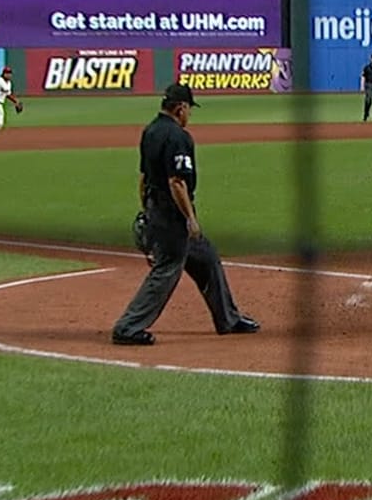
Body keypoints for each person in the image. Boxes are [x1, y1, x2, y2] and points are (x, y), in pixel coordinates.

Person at [111, 83, 260, 345]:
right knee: (168, 268)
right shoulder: (178, 137)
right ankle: (128, 327)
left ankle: (228, 318)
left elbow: (144, 178)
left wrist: (147, 209)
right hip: (172, 216)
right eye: (189, 109)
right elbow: (176, 181)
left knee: (207, 259)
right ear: (180, 108)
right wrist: (190, 218)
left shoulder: (151, 131)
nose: (189, 114)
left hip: (157, 209)